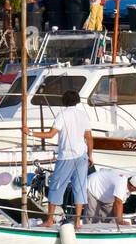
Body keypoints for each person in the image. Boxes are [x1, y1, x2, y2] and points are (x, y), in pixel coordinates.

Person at [27, 89, 93, 228]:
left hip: (66, 157)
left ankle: (50, 221)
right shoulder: (83, 115)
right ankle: (77, 222)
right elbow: (89, 137)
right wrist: (90, 156)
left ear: (64, 101)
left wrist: (31, 133)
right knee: (79, 187)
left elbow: (51, 135)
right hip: (82, 156)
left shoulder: (62, 115)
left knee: (56, 187)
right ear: (77, 101)